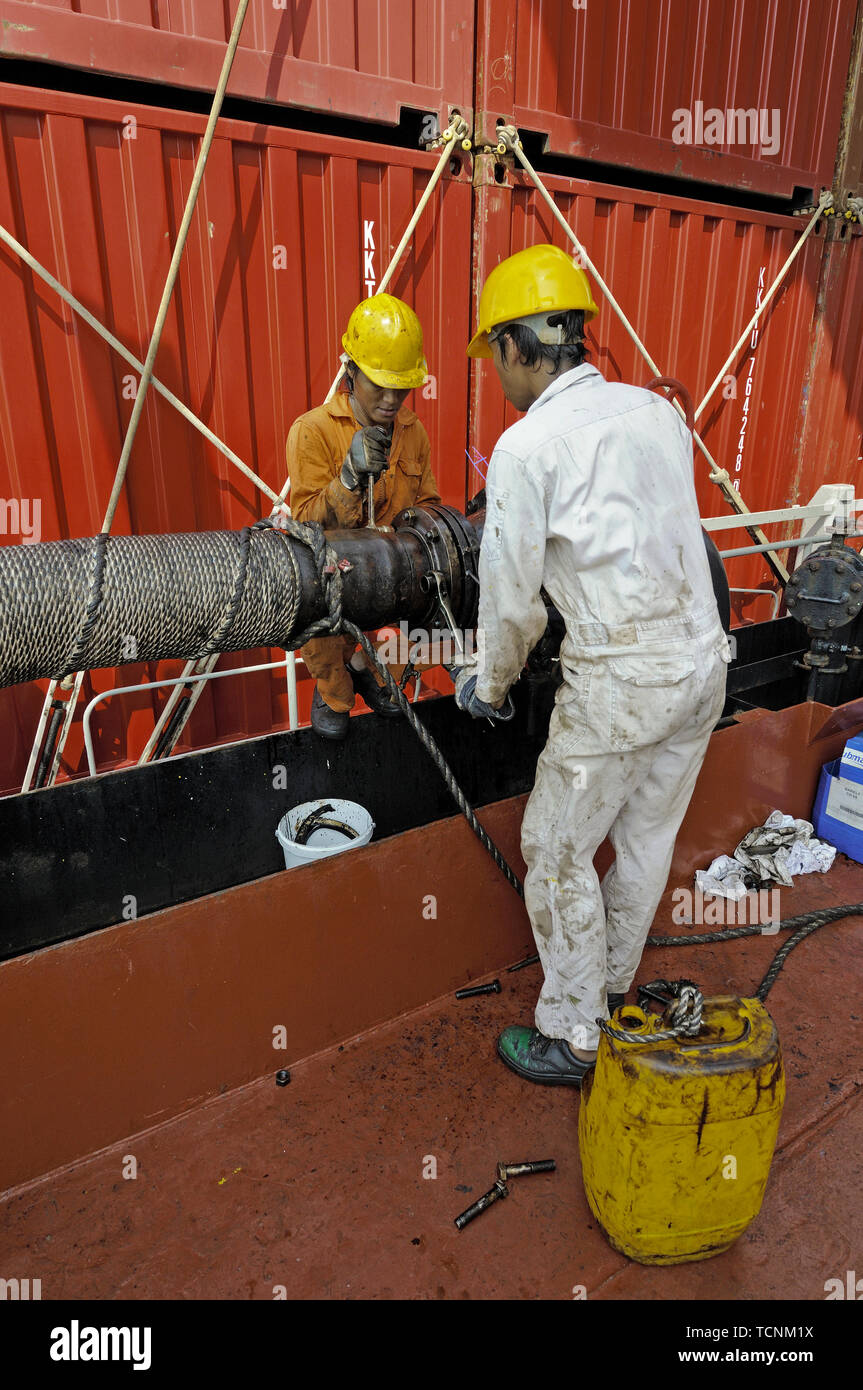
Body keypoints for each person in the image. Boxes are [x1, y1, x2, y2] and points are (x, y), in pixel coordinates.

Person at [456, 243, 731, 1086]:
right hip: (704, 661)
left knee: (555, 846)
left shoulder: (524, 450)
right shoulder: (654, 414)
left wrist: (486, 683)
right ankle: (606, 986)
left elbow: (511, 606)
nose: (495, 372)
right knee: (646, 836)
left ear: (515, 344)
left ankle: (574, 1034)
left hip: (621, 686)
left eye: (492, 354)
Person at [287, 294, 442, 739]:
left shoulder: (412, 433)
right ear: (351, 371)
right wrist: (349, 479)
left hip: (392, 581)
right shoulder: (312, 431)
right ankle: (335, 691)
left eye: (403, 386)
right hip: (334, 579)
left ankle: (366, 667)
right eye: (381, 385)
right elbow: (305, 528)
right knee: (323, 625)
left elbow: (427, 505)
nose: (393, 399)